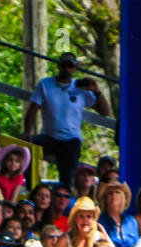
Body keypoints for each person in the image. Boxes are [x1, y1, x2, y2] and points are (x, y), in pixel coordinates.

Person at [23, 52, 109, 187]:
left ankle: (64, 196)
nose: (67, 69)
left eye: (70, 66)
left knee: (66, 180)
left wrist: (96, 90)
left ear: (75, 69)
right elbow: (33, 109)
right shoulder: (45, 84)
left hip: (71, 140)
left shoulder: (81, 88)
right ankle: (33, 186)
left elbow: (105, 112)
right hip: (49, 137)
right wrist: (27, 131)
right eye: (64, 65)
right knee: (25, 146)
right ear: (59, 65)